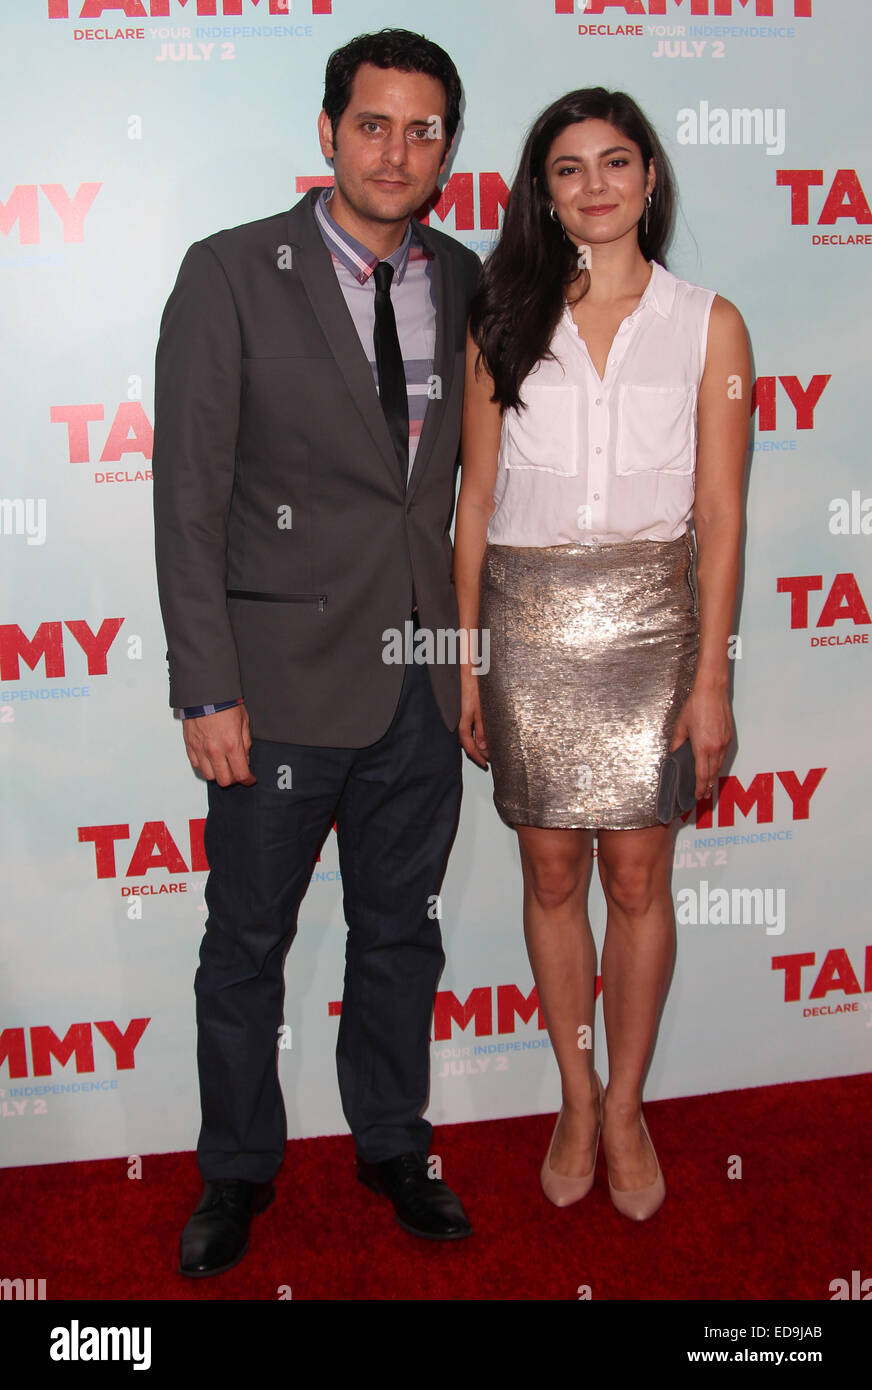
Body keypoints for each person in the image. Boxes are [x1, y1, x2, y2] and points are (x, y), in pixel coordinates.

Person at [152, 28, 481, 1276]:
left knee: (402, 933)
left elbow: (459, 498)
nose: (396, 151)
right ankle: (235, 1171)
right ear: (327, 132)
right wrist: (208, 686)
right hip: (276, 690)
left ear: (447, 147)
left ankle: (393, 1140)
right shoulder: (233, 273)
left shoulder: (462, 278)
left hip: (418, 679)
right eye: (373, 124)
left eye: (423, 129)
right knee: (247, 943)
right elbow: (189, 494)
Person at [453, 88, 749, 1221]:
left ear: (650, 178)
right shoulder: (500, 316)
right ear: (543, 190)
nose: (593, 187)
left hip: (650, 625)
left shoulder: (707, 323)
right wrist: (473, 663)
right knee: (548, 874)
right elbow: (475, 507)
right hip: (526, 626)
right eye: (567, 168)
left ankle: (625, 1104)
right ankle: (573, 1095)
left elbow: (717, 517)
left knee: (636, 877)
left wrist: (709, 676)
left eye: (614, 163)